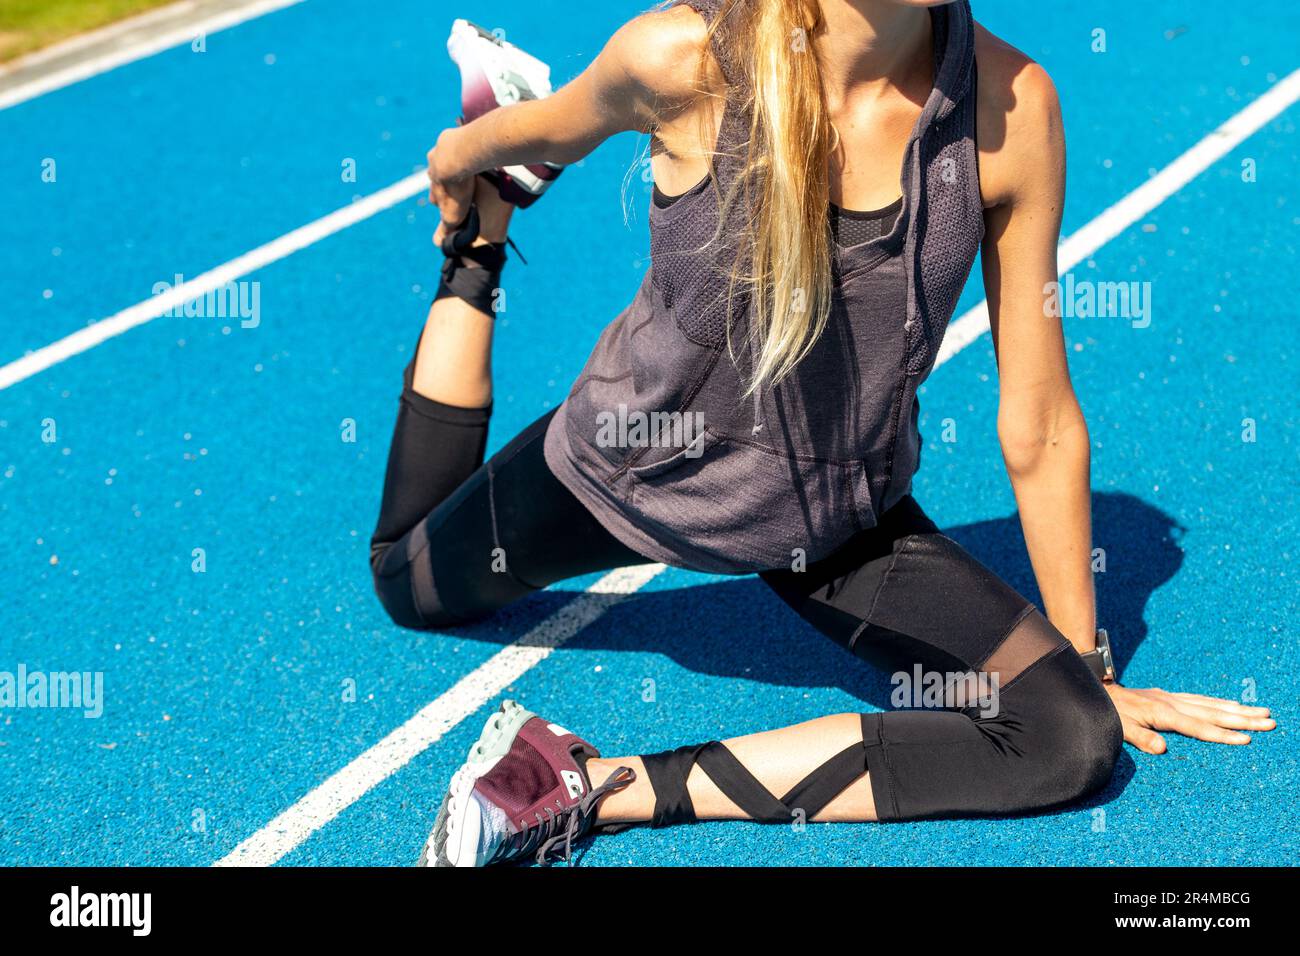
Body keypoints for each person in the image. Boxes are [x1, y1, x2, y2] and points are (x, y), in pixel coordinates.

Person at [369, 3, 1275, 867]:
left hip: (835, 521)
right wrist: (464, 162)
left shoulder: (1011, 107)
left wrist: (1086, 662)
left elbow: (1038, 418)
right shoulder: (680, 60)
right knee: (404, 584)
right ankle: (478, 255)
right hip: (630, 469)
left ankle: (585, 782)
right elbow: (549, 130)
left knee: (1073, 735)